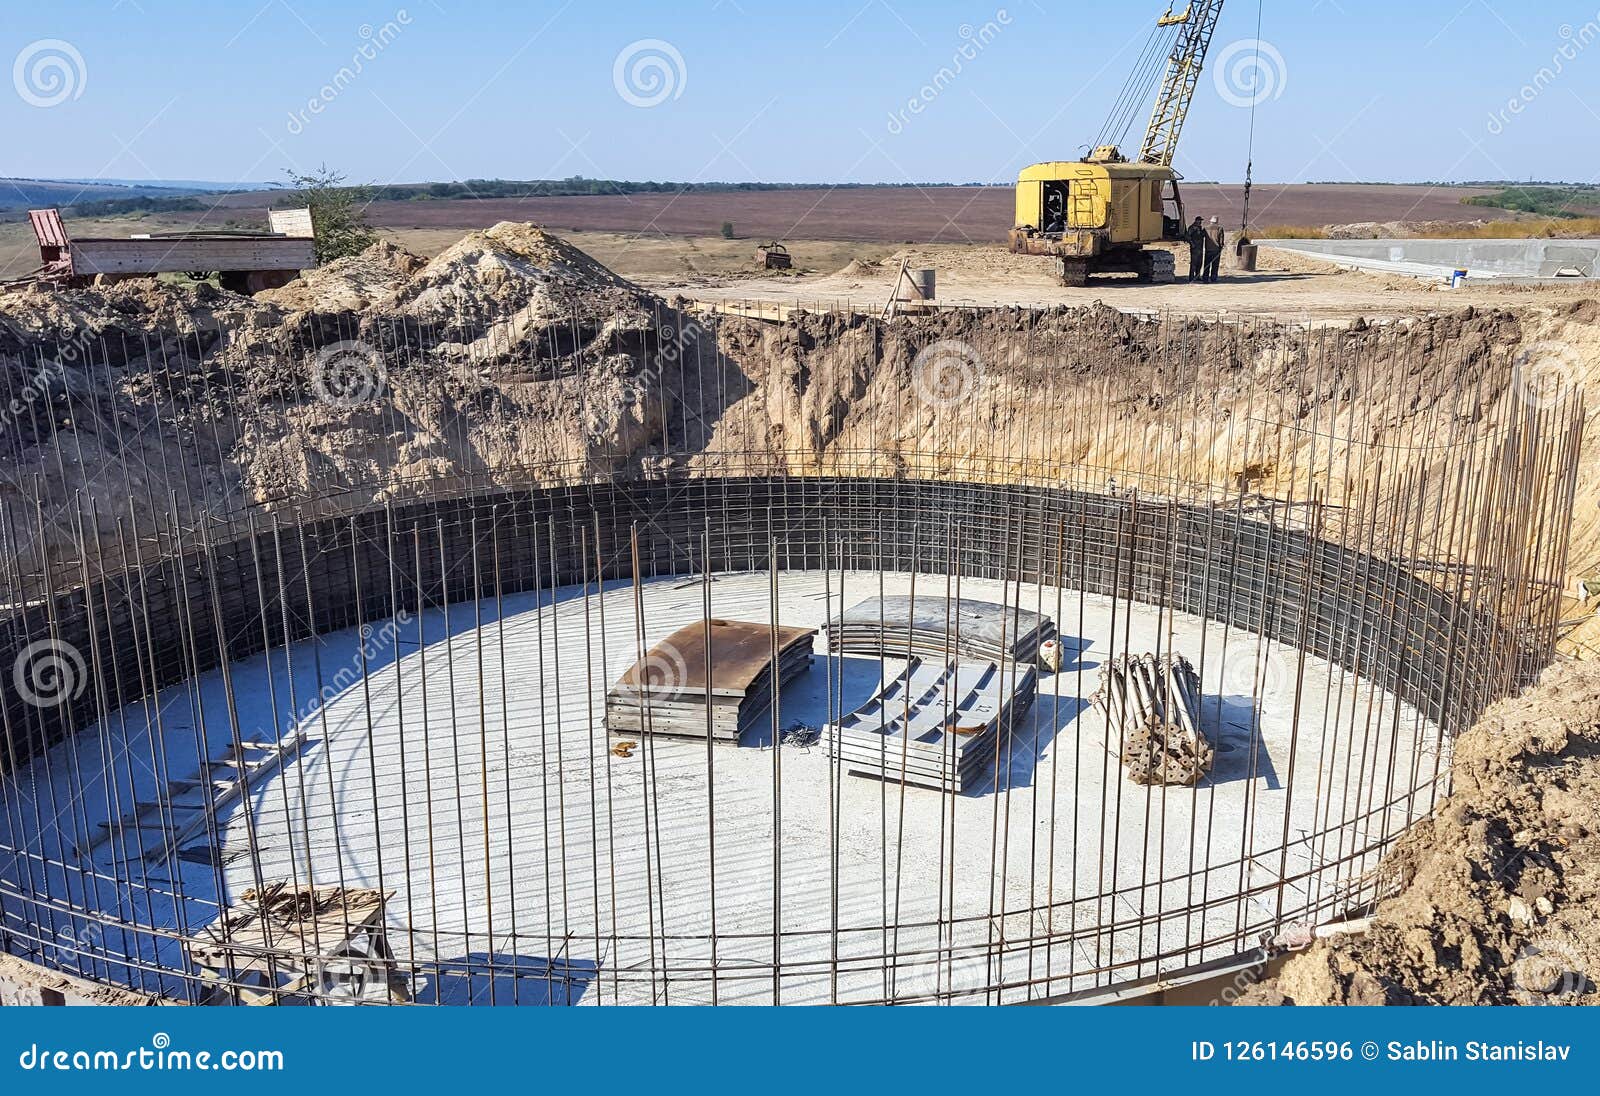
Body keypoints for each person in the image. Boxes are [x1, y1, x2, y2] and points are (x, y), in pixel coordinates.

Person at [1202, 216, 1225, 283]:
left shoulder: (1206, 228)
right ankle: (1213, 278)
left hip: (1208, 249)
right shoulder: (1220, 228)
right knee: (1215, 265)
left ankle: (1205, 278)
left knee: (1207, 265)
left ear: (1210, 221)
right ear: (1217, 221)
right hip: (1216, 250)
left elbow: (1201, 237)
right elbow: (1221, 240)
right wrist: (1221, 247)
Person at [1186, 216, 1206, 283]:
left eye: (1201, 221)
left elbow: (1201, 236)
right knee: (1193, 263)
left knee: (1199, 263)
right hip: (1194, 248)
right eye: (1199, 220)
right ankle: (1191, 278)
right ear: (1196, 220)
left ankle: (1197, 276)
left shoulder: (1199, 228)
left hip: (1200, 248)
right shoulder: (1192, 227)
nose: (1200, 222)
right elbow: (1188, 237)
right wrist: (1192, 244)